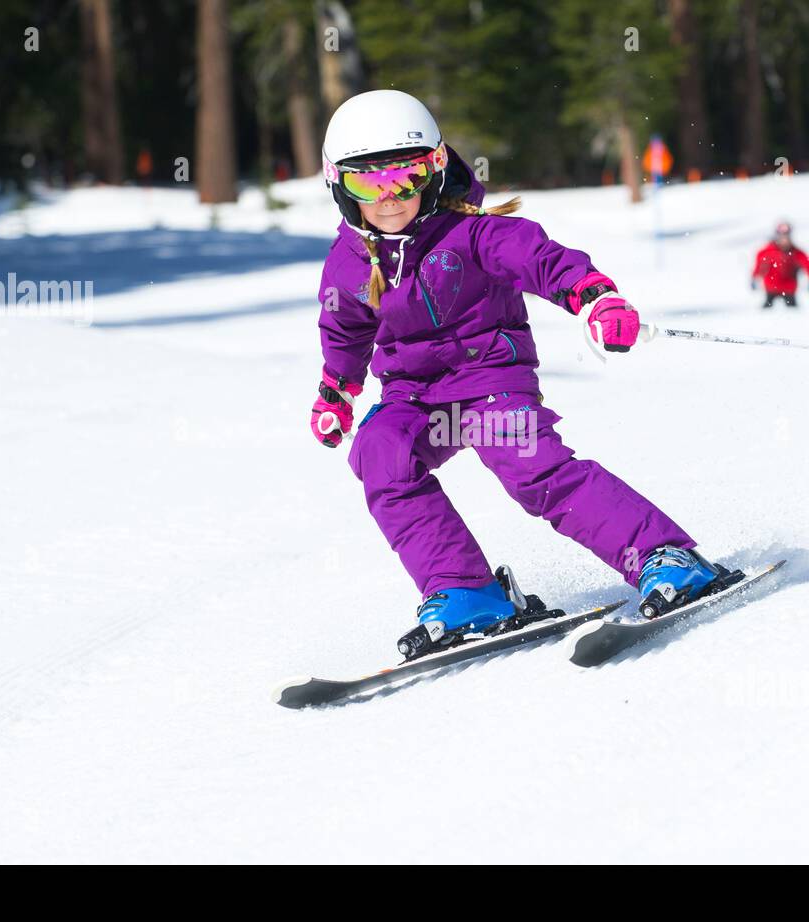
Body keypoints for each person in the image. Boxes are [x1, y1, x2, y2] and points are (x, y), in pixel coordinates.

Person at [308, 90, 740, 659]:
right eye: (369, 184)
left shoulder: (473, 235)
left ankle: (664, 556)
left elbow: (543, 259)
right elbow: (345, 332)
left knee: (530, 469)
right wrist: (337, 391)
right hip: (415, 398)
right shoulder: (349, 261)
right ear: (340, 187)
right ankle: (466, 591)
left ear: (435, 170)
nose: (390, 200)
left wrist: (594, 298)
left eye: (405, 180)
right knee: (379, 452)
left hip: (490, 383)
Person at [751, 221, 809, 308]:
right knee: (766, 312)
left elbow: (808, 264)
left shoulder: (796, 252)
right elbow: (758, 265)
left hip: (789, 288)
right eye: (781, 237)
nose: (784, 240)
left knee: (793, 312)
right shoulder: (767, 251)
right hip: (771, 287)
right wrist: (754, 277)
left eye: (786, 238)